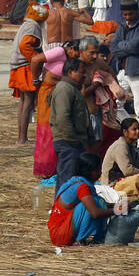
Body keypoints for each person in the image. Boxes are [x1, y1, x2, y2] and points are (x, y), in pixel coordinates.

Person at [47, 151, 139, 246]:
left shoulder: (78, 181)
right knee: (96, 203)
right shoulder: (82, 187)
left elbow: (101, 205)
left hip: (60, 231)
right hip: (60, 235)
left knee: (99, 201)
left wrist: (122, 206)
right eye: (98, 169)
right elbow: (95, 213)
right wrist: (120, 209)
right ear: (91, 171)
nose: (100, 172)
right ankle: (81, 239)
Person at [8, 3, 47, 145]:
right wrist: (35, 59)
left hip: (19, 65)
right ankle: (22, 138)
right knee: (28, 102)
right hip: (24, 66)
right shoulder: (33, 26)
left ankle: (21, 137)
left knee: (24, 102)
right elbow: (25, 45)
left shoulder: (26, 24)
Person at [50, 56, 91, 191]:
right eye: (81, 72)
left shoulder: (72, 89)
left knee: (73, 179)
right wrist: (73, 140)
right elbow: (62, 118)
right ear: (70, 72)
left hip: (73, 142)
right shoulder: (64, 89)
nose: (84, 75)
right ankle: (61, 209)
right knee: (67, 179)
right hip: (68, 142)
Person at [110, 0, 139, 114]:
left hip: (138, 72)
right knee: (115, 105)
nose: (128, 17)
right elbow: (113, 48)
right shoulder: (123, 25)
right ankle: (129, 129)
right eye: (125, 15)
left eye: (130, 14)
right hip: (123, 71)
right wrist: (128, 47)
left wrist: (122, 45)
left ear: (137, 11)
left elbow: (134, 47)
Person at [101, 117, 139, 195]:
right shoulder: (121, 146)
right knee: (138, 180)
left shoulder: (131, 145)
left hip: (123, 179)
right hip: (112, 184)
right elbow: (128, 170)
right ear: (125, 132)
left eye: (138, 129)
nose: (138, 132)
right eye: (134, 129)